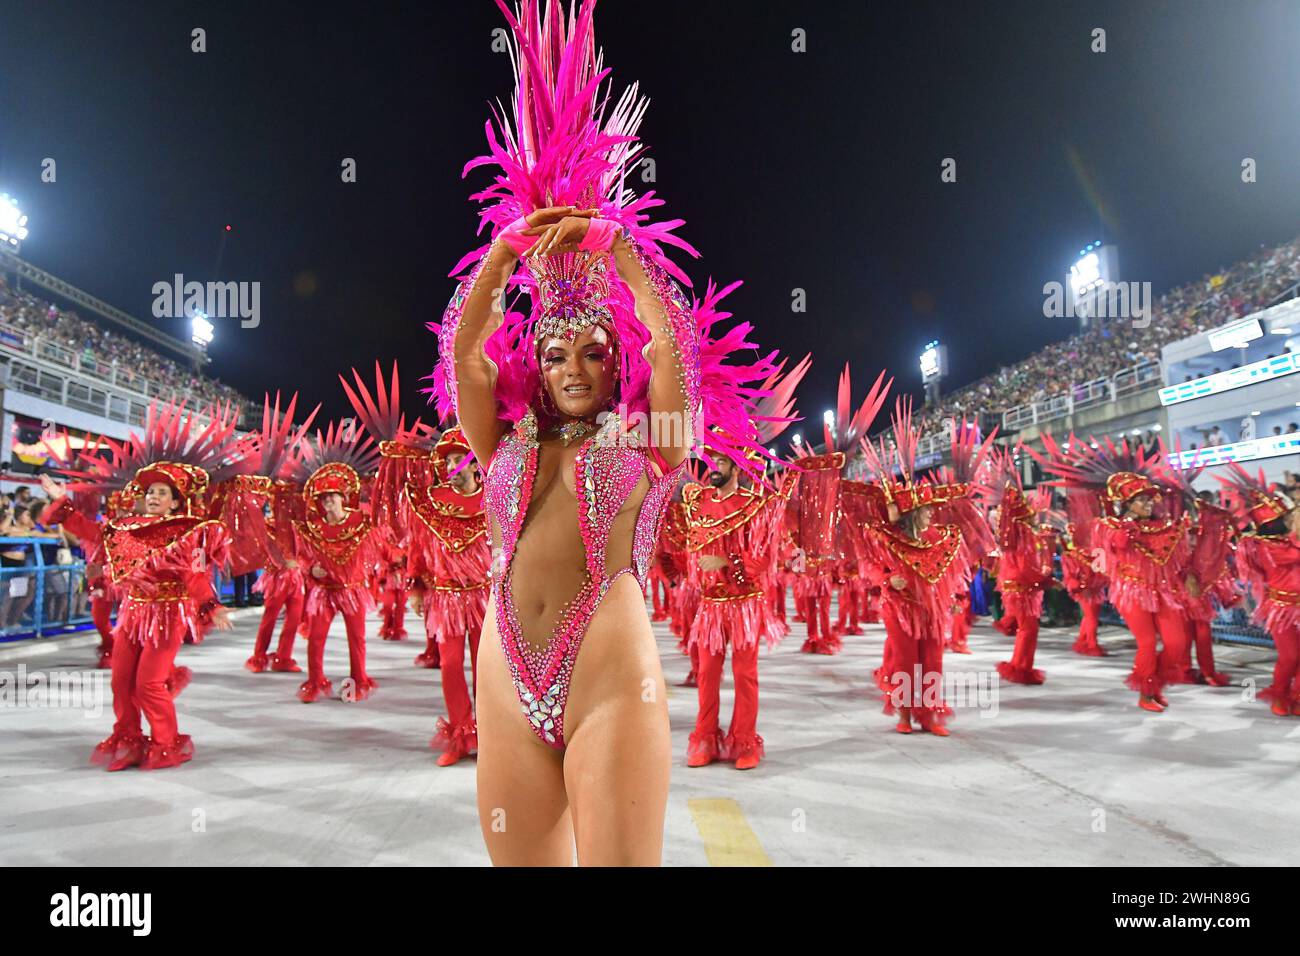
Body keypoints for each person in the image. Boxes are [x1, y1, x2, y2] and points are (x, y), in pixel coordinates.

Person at [427, 0, 778, 867]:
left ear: (613, 364)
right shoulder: (502, 445)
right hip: (504, 669)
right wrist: (502, 257)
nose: (573, 366)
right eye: (555, 352)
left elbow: (674, 349)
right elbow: (462, 350)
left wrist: (623, 254)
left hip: (610, 672)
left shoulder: (647, 441)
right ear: (536, 364)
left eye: (592, 351)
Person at [406, 426, 491, 766]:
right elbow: (418, 545)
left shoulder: (494, 499)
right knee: (451, 666)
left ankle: (489, 734)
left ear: (474, 465)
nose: (452, 466)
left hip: (484, 596)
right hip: (446, 598)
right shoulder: (433, 503)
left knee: (486, 669)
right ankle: (459, 736)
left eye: (459, 460)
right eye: (448, 461)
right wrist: (415, 586)